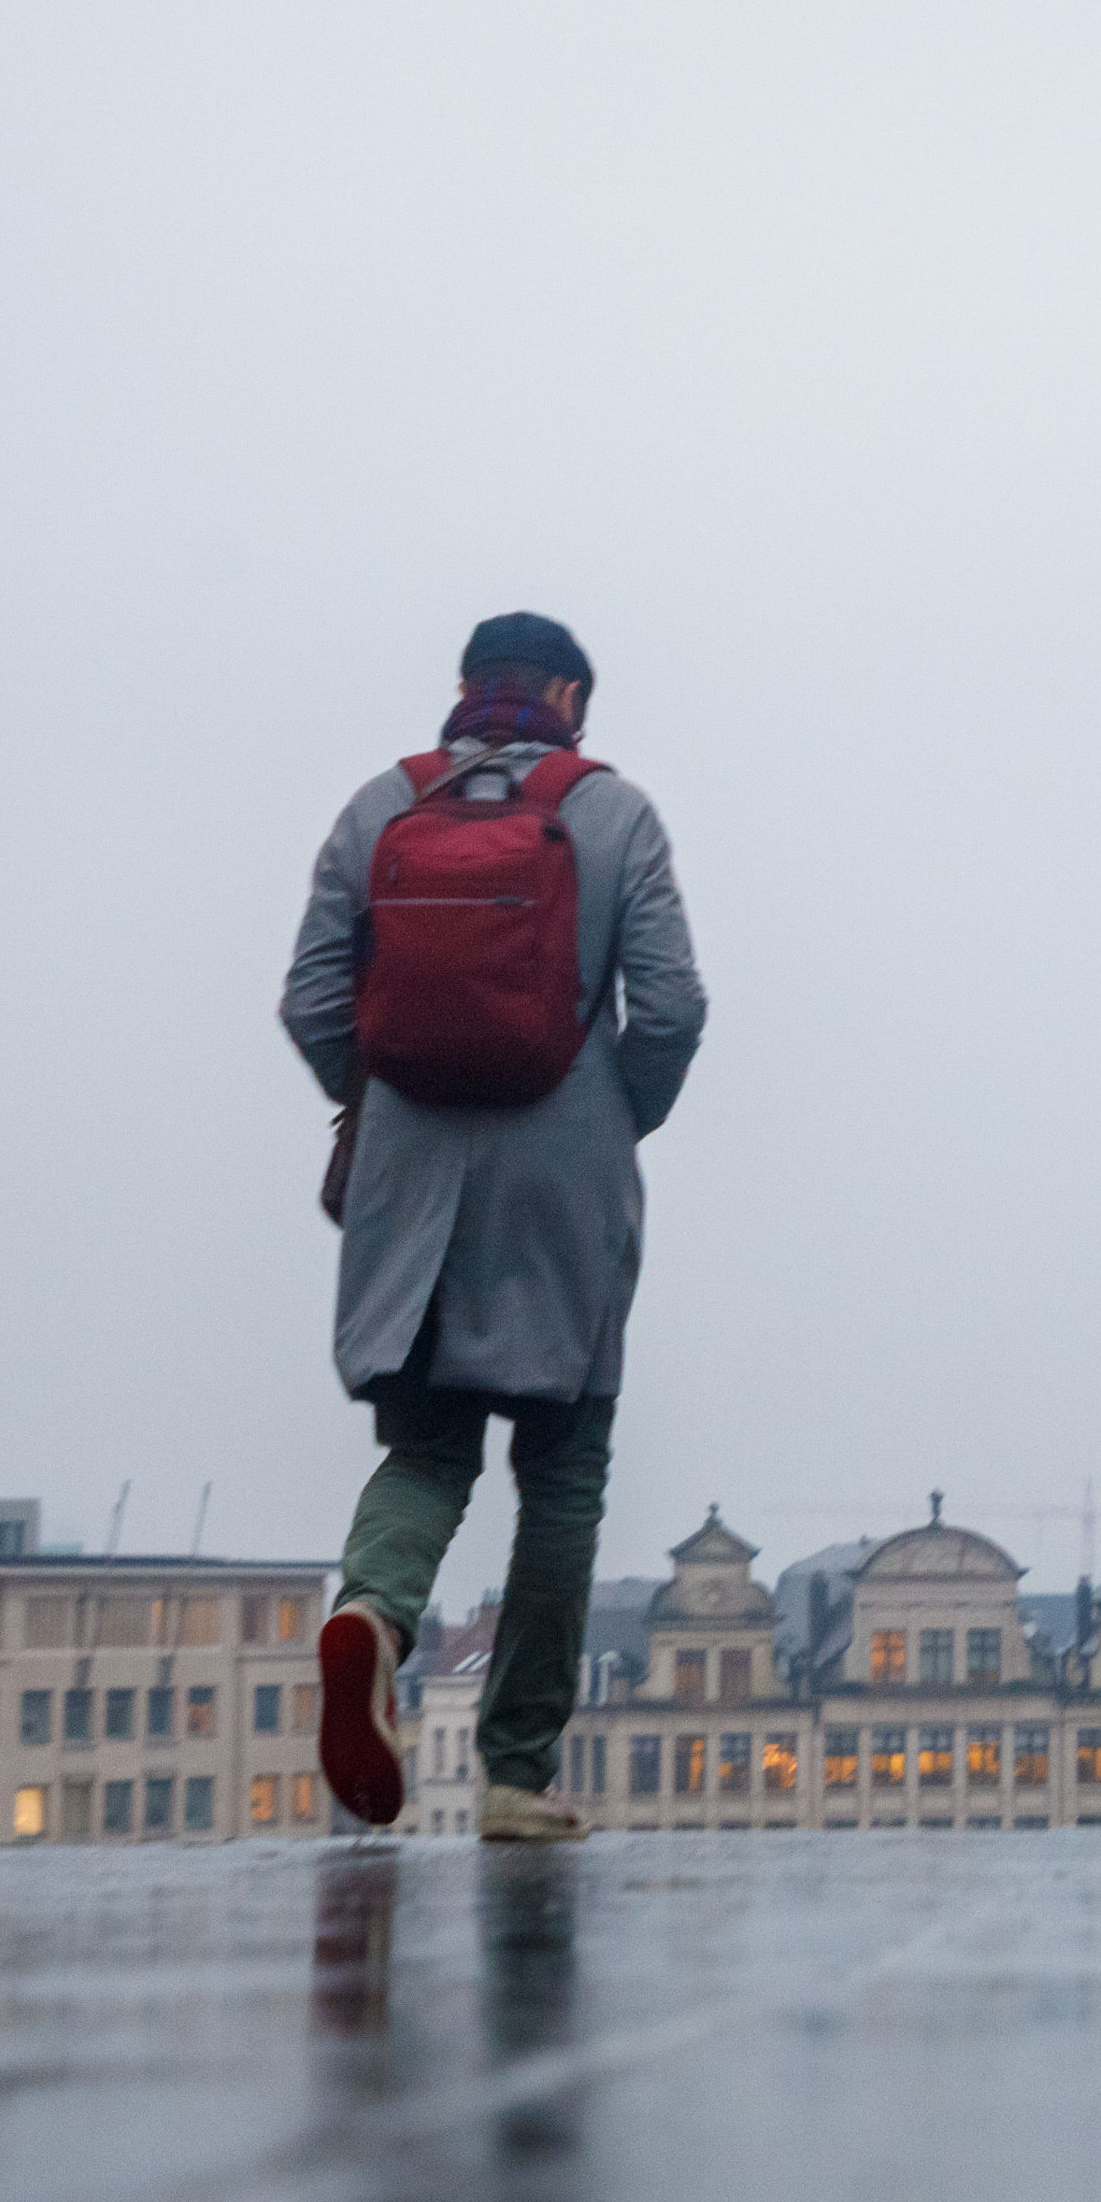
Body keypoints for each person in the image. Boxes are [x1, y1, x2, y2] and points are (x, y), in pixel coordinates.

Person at [282, 613, 706, 1843]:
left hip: (408, 1187)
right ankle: (516, 1772)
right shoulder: (614, 814)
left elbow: (312, 997)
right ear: (570, 694)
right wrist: (616, 1111)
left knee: (427, 1449)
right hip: (566, 1181)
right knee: (562, 1471)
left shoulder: (379, 809)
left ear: (466, 691)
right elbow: (672, 1004)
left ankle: (372, 1609)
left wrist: (384, 1102)